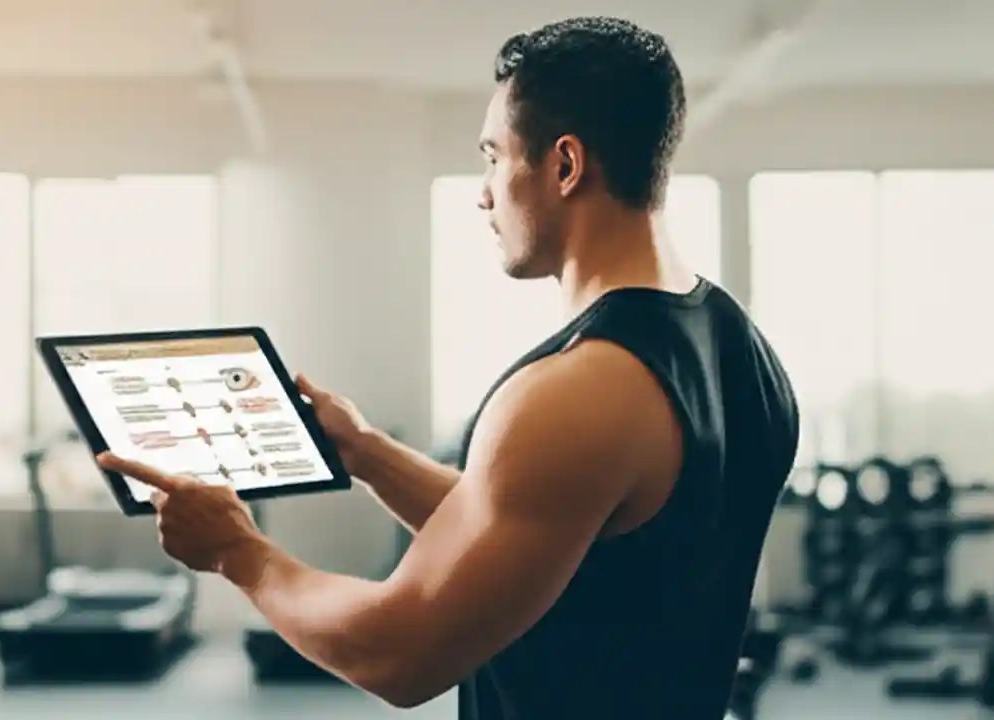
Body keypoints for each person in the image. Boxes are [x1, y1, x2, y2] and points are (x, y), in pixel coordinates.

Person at [99, 16, 799, 719]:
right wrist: (367, 453)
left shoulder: (582, 389)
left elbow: (396, 653)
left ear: (564, 165)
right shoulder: (738, 345)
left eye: (494, 156)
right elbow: (546, 534)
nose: (483, 191)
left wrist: (236, 551)